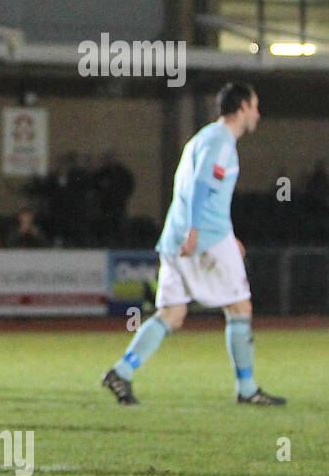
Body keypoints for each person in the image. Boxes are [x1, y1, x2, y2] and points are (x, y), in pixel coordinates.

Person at [102, 82, 284, 406]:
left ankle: (121, 372)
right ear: (242, 106)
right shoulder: (221, 141)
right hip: (204, 238)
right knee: (240, 307)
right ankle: (247, 389)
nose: (258, 113)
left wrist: (218, 233)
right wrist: (197, 231)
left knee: (171, 313)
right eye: (255, 106)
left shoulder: (203, 138)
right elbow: (201, 185)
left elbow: (199, 190)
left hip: (177, 235)